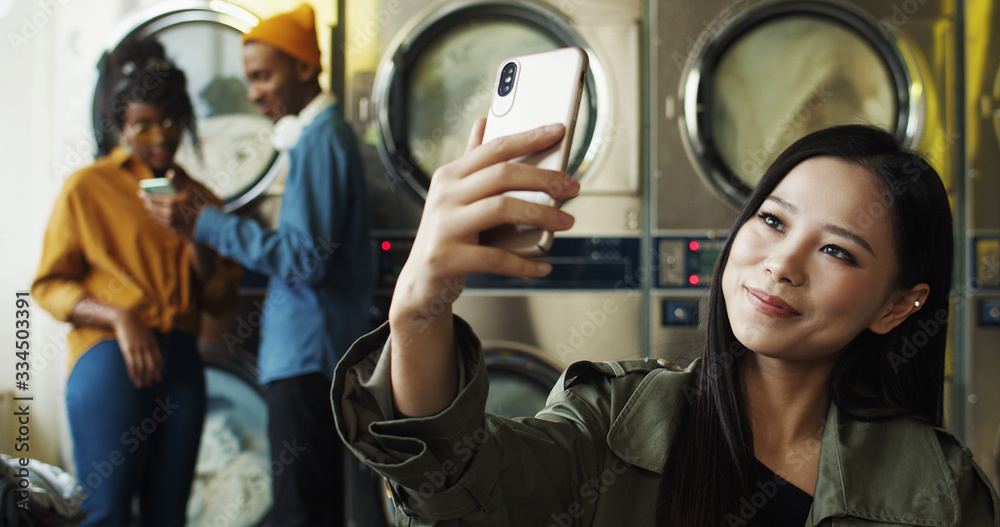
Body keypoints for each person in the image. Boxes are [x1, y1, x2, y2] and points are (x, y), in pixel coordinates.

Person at [332, 122, 1000, 525]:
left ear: (896, 306)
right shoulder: (615, 417)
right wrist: (420, 312)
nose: (781, 264)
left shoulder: (936, 487)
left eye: (836, 250)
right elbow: (459, 484)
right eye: (772, 220)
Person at [143, 5, 372, 525]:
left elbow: (303, 258)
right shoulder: (320, 138)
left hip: (307, 358)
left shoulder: (322, 139)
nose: (252, 93)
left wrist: (206, 222)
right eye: (248, 79)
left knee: (301, 510)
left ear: (304, 69)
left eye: (263, 76)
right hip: (315, 353)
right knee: (314, 503)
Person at [32, 38, 240, 526]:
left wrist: (194, 232)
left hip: (183, 360)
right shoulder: (88, 187)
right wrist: (119, 316)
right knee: (106, 510)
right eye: (142, 124)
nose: (159, 136)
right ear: (122, 126)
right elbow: (48, 285)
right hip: (110, 354)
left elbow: (220, 299)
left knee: (169, 515)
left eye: (170, 122)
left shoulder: (203, 198)